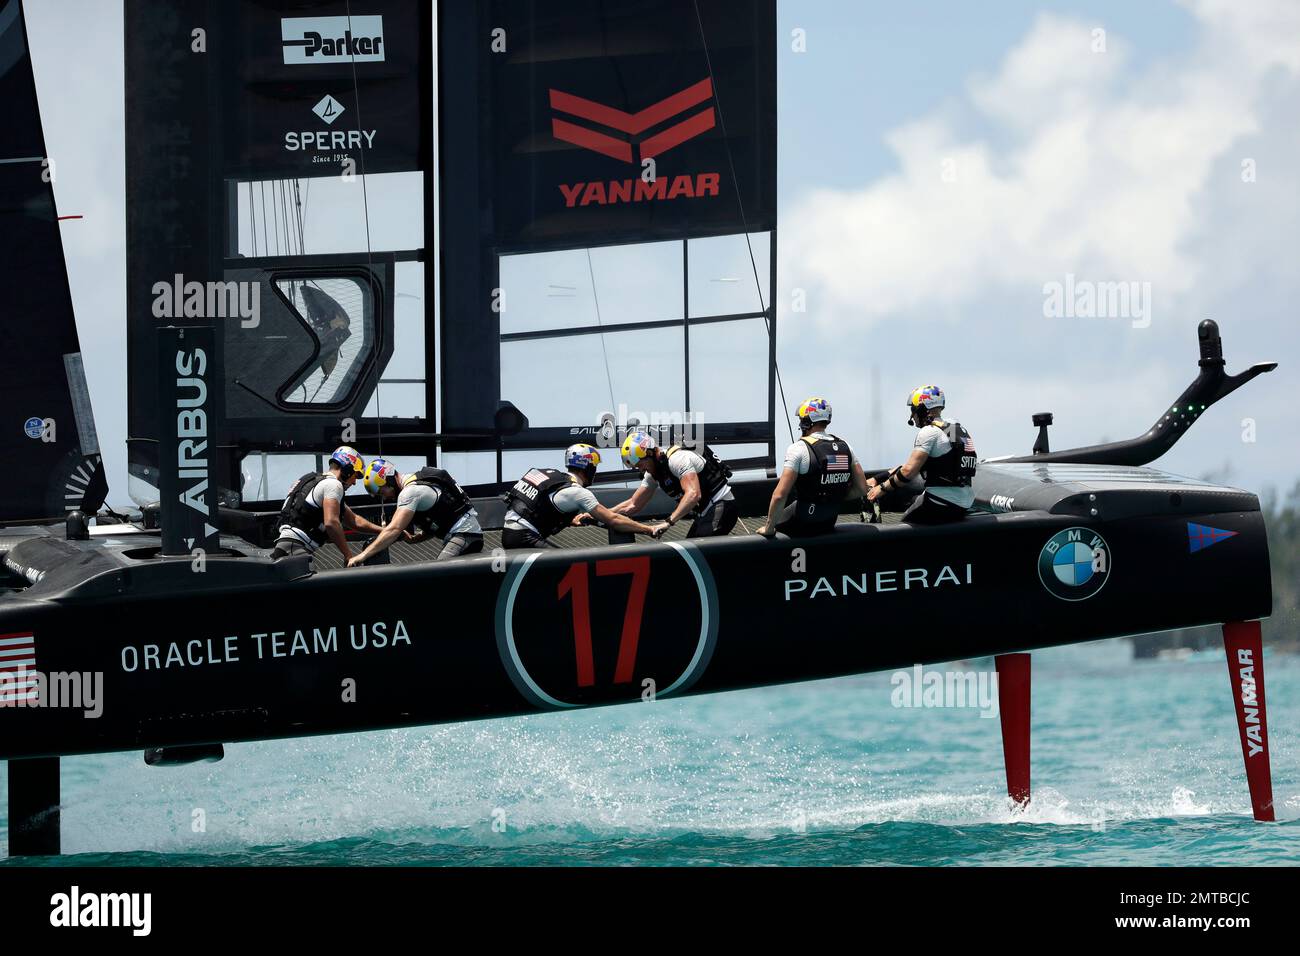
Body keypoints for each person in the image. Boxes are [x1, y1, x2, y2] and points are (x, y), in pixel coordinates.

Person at [502, 444, 667, 549]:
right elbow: (614, 520)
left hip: (509, 533)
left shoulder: (553, 478)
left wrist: (577, 519)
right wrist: (648, 529)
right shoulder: (578, 492)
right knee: (570, 566)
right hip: (524, 536)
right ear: (588, 468)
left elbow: (544, 509)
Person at [758, 397, 869, 538]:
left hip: (802, 521)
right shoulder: (846, 446)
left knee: (766, 527)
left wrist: (769, 528)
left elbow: (780, 495)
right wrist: (835, 499)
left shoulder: (798, 448)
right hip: (829, 521)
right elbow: (862, 488)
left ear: (806, 421)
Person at [867, 385, 976, 525]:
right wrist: (878, 478)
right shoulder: (953, 428)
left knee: (901, 529)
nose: (912, 416)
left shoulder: (928, 432)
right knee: (913, 500)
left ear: (922, 408)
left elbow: (908, 471)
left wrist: (881, 489)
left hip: (941, 501)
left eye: (913, 409)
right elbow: (924, 465)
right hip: (965, 502)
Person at [346, 459, 484, 567]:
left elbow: (393, 529)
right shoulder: (416, 482)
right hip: (467, 533)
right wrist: (414, 539)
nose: (385, 498)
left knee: (440, 574)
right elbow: (436, 524)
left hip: (466, 535)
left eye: (383, 492)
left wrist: (362, 556)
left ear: (388, 480)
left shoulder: (410, 492)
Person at [610, 430, 739, 537]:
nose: (641, 470)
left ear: (649, 453)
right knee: (691, 554)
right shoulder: (653, 474)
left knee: (698, 553)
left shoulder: (677, 460)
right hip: (705, 512)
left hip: (722, 505)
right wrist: (603, 514)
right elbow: (633, 504)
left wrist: (668, 522)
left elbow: (693, 494)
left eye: (640, 464)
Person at [270, 447, 385, 562]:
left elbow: (354, 520)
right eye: (355, 476)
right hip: (295, 549)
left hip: (286, 545)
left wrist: (385, 531)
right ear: (348, 469)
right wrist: (349, 556)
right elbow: (331, 523)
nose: (354, 483)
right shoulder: (334, 485)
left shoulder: (317, 482)